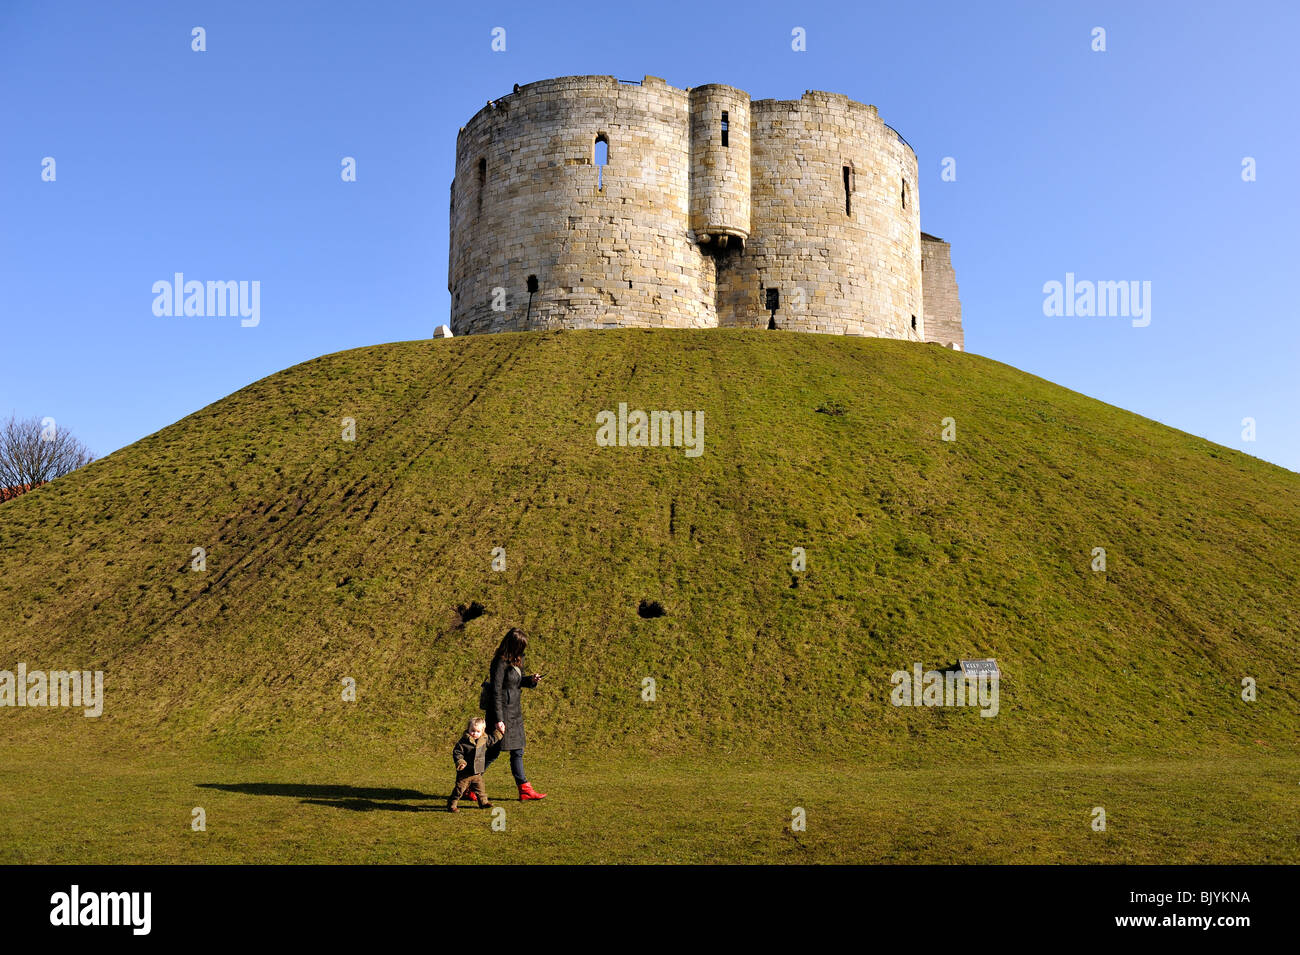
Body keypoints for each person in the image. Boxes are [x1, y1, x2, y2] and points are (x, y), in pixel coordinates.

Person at [483, 627, 547, 800]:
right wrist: (498, 719)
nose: (522, 650)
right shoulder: (499, 662)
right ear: (513, 645)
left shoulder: (518, 660)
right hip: (502, 713)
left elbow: (516, 682)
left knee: (517, 751)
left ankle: (525, 789)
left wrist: (531, 680)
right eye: (520, 646)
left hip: (514, 712)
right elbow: (496, 691)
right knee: (493, 752)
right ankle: (469, 784)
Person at [447, 716, 503, 813]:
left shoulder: (483, 739)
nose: (474, 733)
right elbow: (457, 753)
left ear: (482, 731)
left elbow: (492, 740)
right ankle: (452, 804)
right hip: (465, 773)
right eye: (472, 730)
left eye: (478, 731)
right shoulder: (463, 742)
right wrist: (460, 762)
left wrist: (499, 732)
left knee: (480, 789)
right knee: (459, 790)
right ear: (468, 729)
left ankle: (483, 802)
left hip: (477, 772)